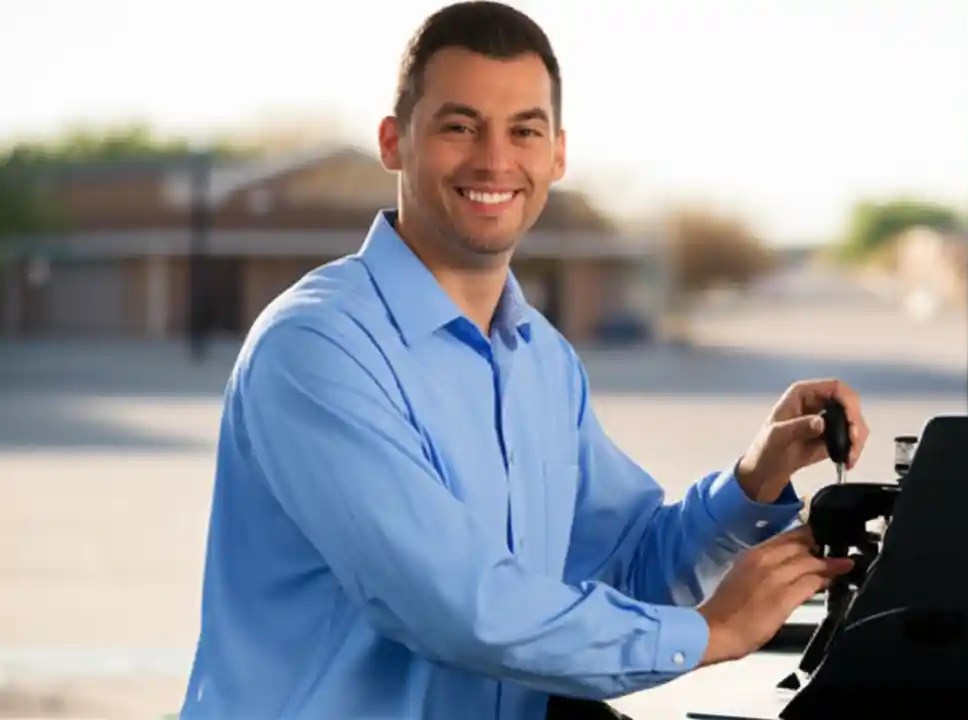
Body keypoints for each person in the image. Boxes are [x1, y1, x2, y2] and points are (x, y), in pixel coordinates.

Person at [179, 2, 869, 718]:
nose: (494, 160)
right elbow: (455, 607)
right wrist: (712, 631)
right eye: (459, 126)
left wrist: (755, 480)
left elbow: (621, 569)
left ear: (557, 155)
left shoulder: (540, 358)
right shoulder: (317, 348)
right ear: (393, 142)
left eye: (524, 131)